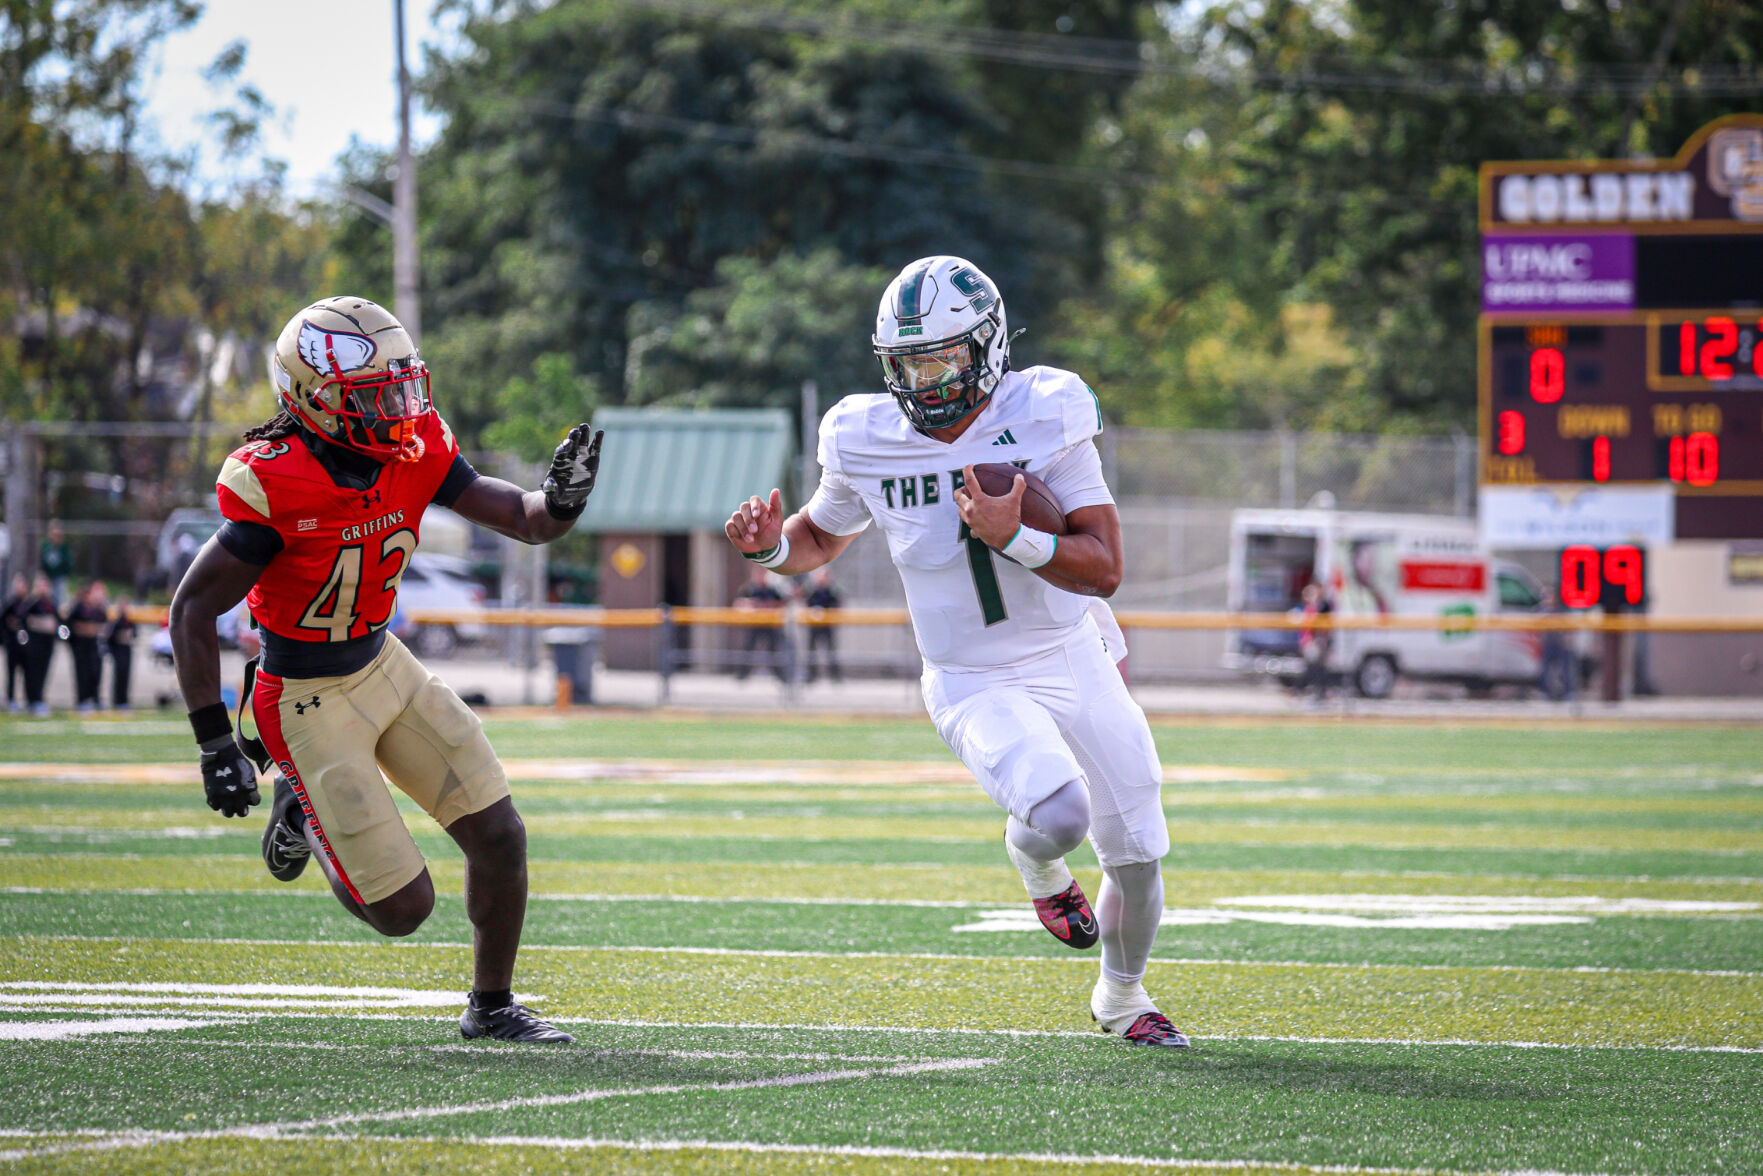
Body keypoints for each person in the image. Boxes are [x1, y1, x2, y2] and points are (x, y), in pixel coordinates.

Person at [725, 256, 1185, 1048]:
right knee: (1059, 814)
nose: (925, 381)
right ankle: (1036, 861)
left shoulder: (1046, 410)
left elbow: (1104, 567)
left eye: (941, 360)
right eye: (908, 365)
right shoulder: (862, 434)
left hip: (1070, 649)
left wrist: (1017, 538)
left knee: (1138, 854)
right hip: (971, 676)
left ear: (988, 344)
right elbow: (821, 536)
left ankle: (1121, 996)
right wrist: (769, 549)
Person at [169, 296, 603, 1044]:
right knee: (403, 910)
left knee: (501, 835)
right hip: (301, 694)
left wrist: (562, 501)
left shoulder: (415, 446)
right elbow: (191, 608)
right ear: (313, 400)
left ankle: (492, 1006)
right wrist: (213, 742)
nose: (399, 409)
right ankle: (301, 810)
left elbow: (524, 520)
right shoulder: (277, 480)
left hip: (383, 662)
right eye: (373, 396)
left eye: (402, 388)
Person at [731, 565, 787, 682]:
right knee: (748, 649)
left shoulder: (771, 589)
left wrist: (768, 605)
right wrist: (750, 604)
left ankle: (780, 675)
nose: (761, 576)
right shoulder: (748, 589)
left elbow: (781, 603)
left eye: (763, 573)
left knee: (773, 649)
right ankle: (742, 674)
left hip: (768, 624)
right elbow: (738, 604)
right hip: (753, 624)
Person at [64, 580, 108, 711]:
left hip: (94, 647)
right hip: (80, 647)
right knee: (81, 673)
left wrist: (93, 630)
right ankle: (82, 699)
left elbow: (104, 627)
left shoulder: (98, 610)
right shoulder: (77, 609)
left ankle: (94, 698)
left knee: (95, 672)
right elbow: (67, 628)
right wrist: (73, 640)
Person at [19, 574, 59, 716]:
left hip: (48, 642)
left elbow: (59, 620)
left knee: (43, 671)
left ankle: (40, 699)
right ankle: (32, 700)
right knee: (32, 671)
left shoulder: (51, 603)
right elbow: (22, 618)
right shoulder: (32, 602)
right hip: (34, 642)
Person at [802, 567, 844, 683]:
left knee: (830, 651)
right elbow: (806, 603)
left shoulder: (832, 591)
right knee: (811, 651)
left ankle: (835, 676)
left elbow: (837, 605)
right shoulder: (812, 591)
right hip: (814, 625)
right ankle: (811, 675)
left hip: (827, 625)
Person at [1294, 581, 1333, 702]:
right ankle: (1300, 689)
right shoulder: (1305, 609)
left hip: (1317, 643)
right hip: (1309, 643)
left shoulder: (1321, 607)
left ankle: (1318, 692)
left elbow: (1325, 629)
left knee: (1318, 668)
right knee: (1312, 667)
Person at [107, 593, 138, 710]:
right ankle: (117, 700)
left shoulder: (130, 621)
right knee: (118, 675)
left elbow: (135, 635)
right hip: (118, 651)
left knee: (126, 675)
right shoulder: (116, 621)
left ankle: (124, 700)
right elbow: (110, 638)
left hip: (127, 650)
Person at [3, 574, 27, 713]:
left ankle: (28, 699)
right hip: (12, 644)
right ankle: (11, 698)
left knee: (27, 673)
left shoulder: (29, 604)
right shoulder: (10, 604)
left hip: (26, 646)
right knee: (11, 672)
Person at [40, 521, 73, 605]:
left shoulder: (63, 547)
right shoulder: (46, 546)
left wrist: (66, 573)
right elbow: (43, 561)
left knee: (59, 598)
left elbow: (67, 563)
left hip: (60, 577)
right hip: (48, 577)